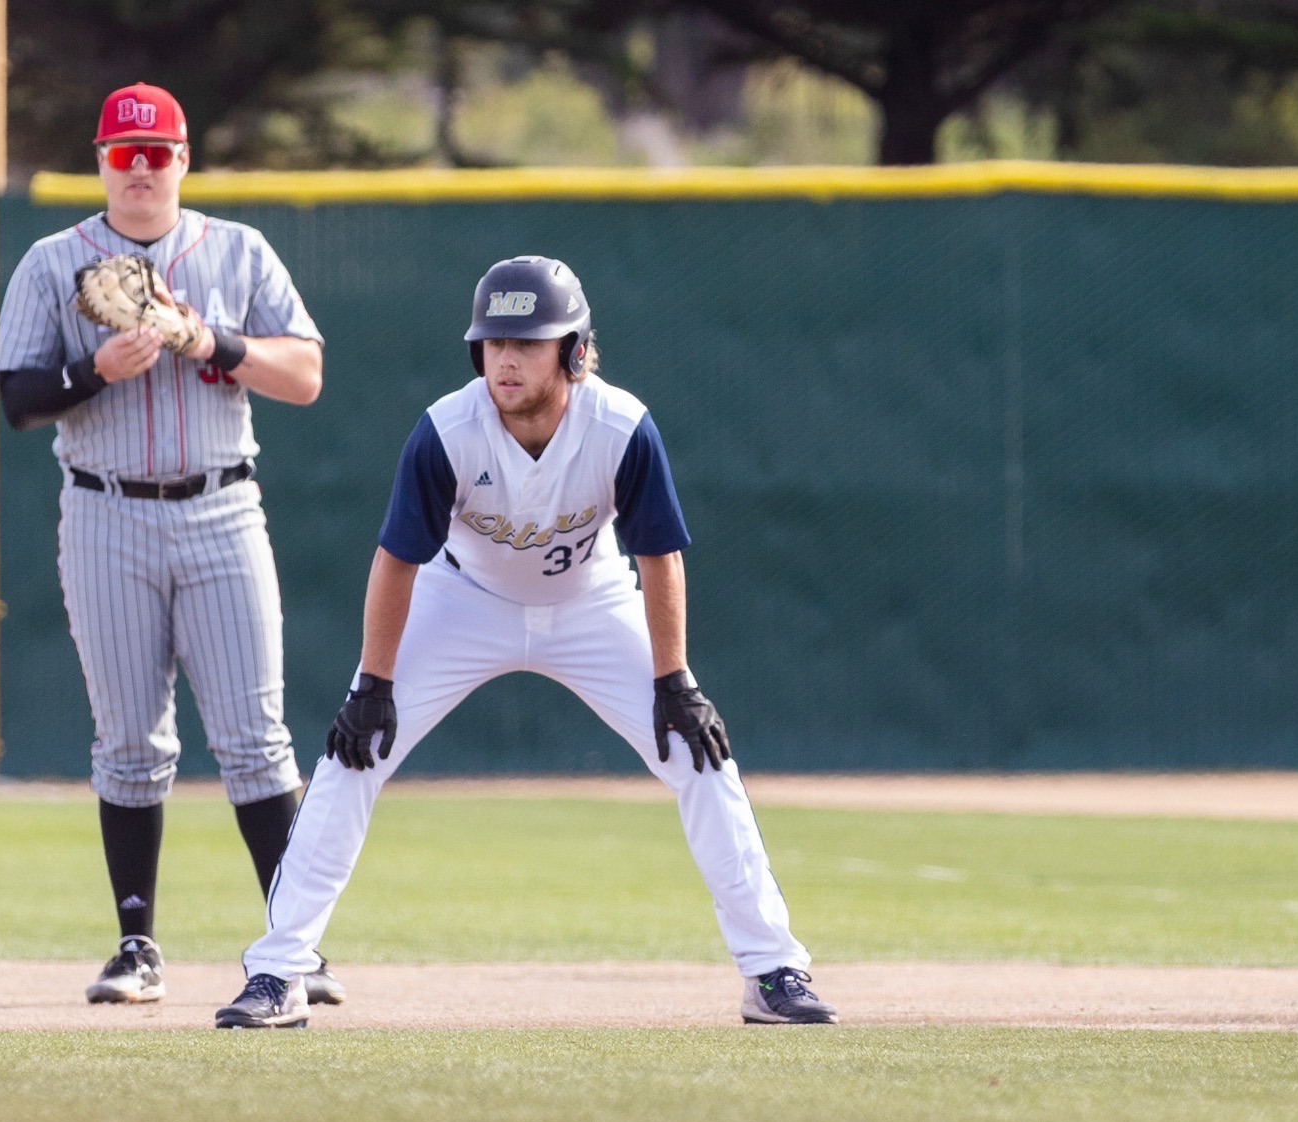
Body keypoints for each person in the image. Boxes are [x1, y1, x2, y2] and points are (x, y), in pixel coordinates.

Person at [212, 255, 834, 1029]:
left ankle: (772, 967)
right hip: (464, 600)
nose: (506, 358)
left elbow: (659, 557)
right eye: (493, 342)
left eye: (528, 343)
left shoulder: (621, 427)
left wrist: (674, 680)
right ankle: (279, 971)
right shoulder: (446, 430)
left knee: (699, 752)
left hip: (590, 603)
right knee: (352, 755)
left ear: (573, 352)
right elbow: (397, 560)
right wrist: (372, 685)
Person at [0, 82, 341, 1007]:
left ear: (183, 160)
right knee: (129, 743)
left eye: (157, 154)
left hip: (222, 506)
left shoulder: (237, 251)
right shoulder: (51, 261)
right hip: (104, 510)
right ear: (100, 160)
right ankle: (136, 944)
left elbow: (304, 374)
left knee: (256, 740)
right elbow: (18, 400)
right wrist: (90, 369)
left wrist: (211, 338)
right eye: (123, 154)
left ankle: (293, 946)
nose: (140, 170)